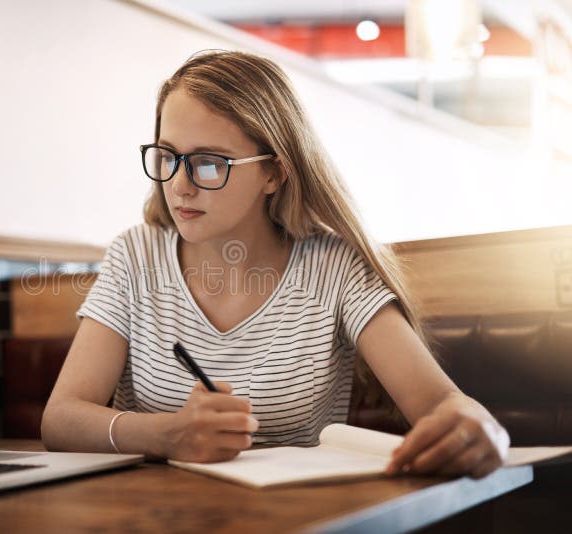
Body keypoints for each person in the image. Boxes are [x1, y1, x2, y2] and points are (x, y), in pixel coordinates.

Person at [41, 50, 509, 479]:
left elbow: (442, 403)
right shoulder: (134, 255)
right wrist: (166, 435)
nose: (180, 185)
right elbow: (61, 418)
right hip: (154, 518)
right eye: (167, 157)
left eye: (208, 163)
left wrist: (482, 427)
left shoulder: (334, 267)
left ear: (273, 173)